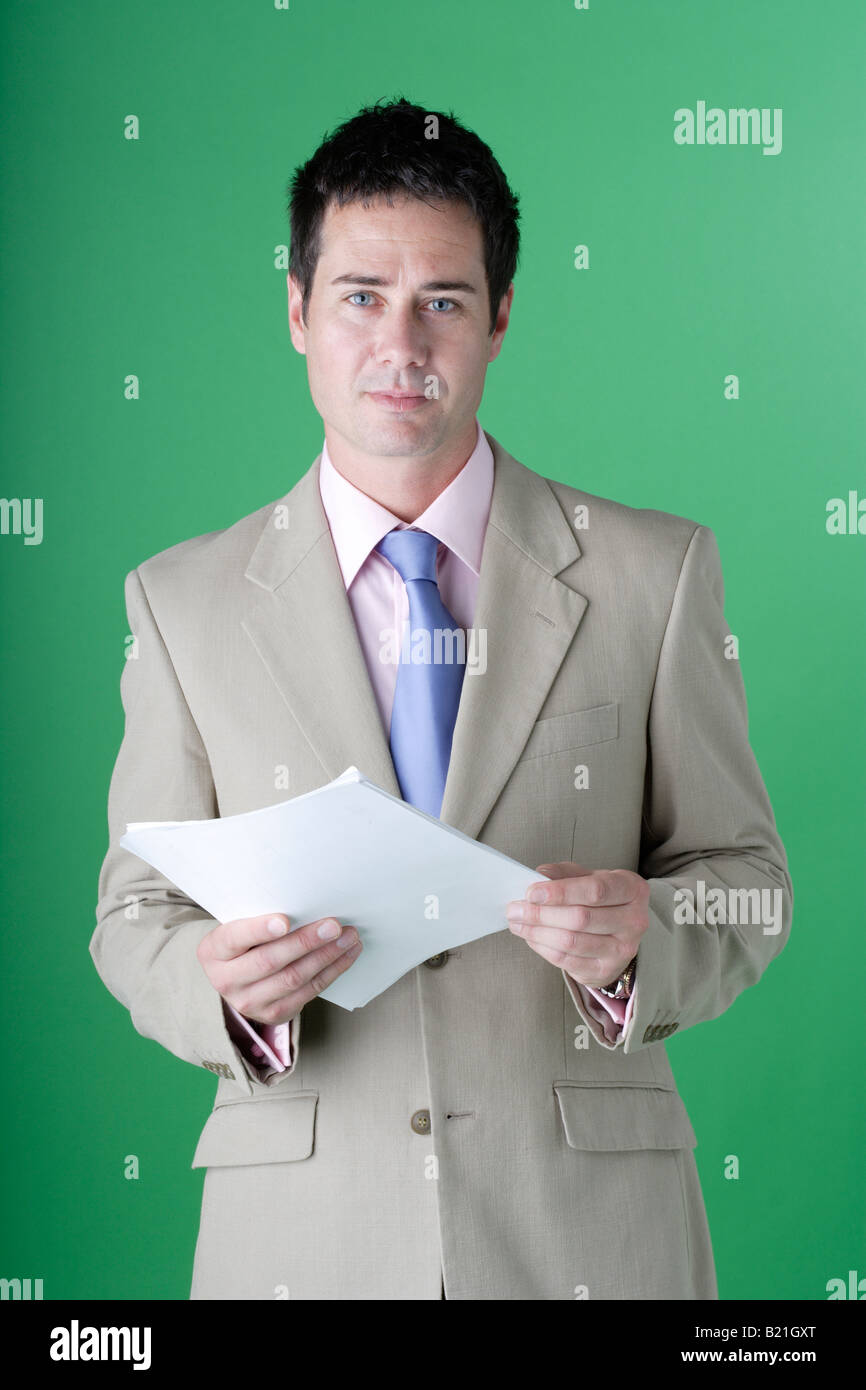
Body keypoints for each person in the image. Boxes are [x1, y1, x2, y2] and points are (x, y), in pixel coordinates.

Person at [92, 97, 792, 1301]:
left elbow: (746, 880)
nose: (399, 343)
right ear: (298, 313)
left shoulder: (654, 573)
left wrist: (637, 945)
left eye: (443, 301)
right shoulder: (181, 601)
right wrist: (218, 987)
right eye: (360, 295)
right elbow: (131, 912)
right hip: (301, 1241)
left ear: (501, 317)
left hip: (590, 1235)